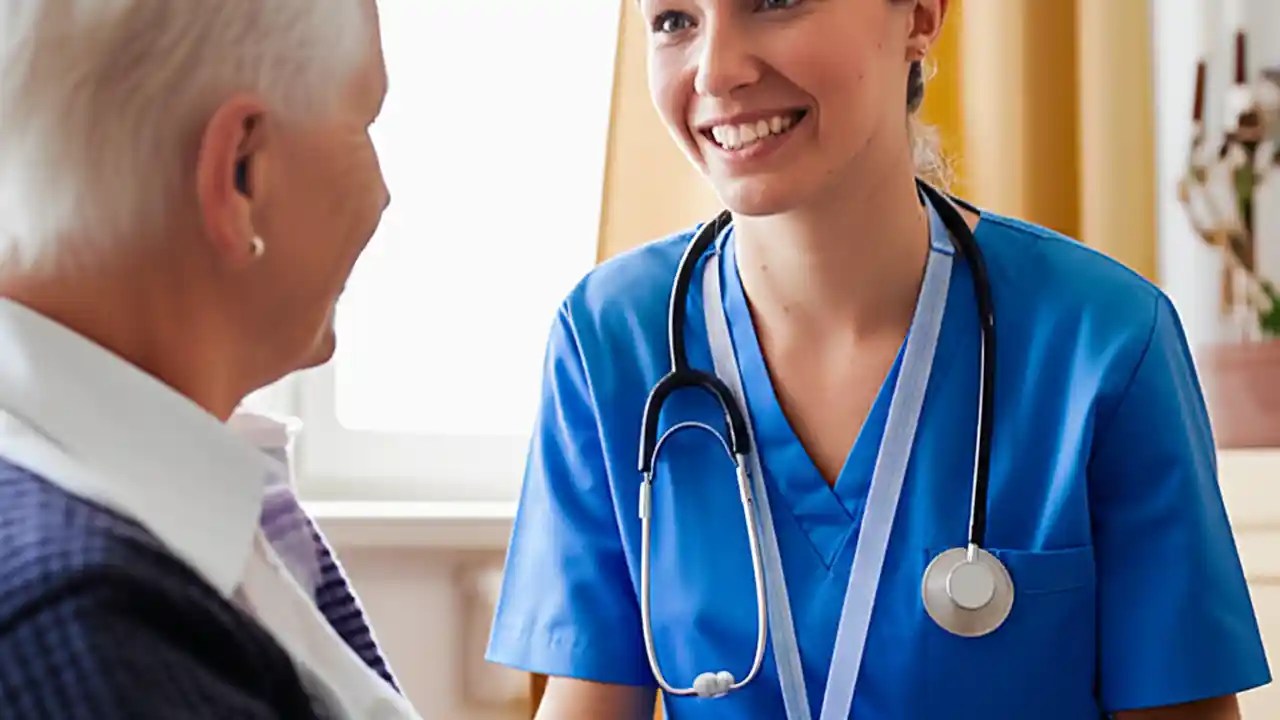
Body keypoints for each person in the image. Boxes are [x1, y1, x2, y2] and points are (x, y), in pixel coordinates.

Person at [485, 0, 1272, 718]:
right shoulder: (609, 341)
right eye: (673, 21)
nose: (717, 68)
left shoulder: (1103, 342)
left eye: (775, 2)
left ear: (922, 15)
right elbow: (588, 698)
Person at [0, 1, 416, 718]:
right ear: (241, 173)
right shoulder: (86, 633)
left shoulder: (198, 510)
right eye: (365, 122)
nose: (383, 193)